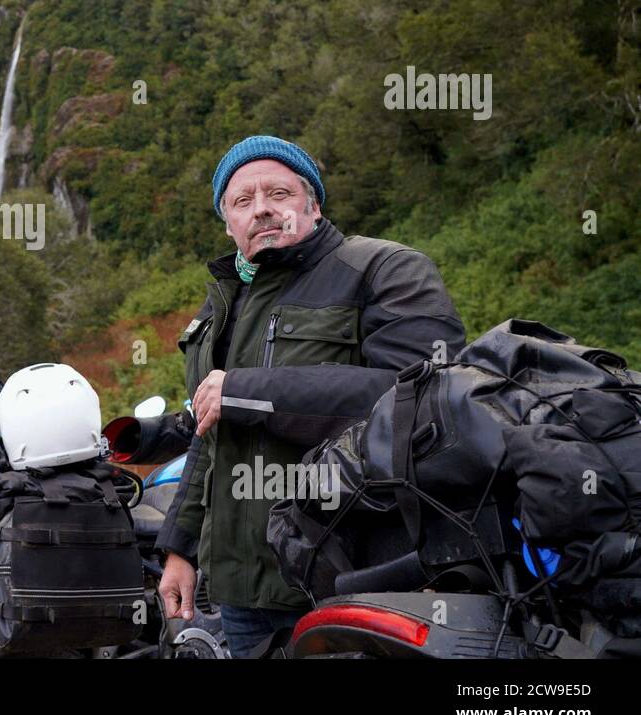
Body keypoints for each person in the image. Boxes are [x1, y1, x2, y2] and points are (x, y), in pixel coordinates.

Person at [155, 135, 465, 656]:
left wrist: (249, 390)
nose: (262, 210)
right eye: (242, 201)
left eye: (279, 192)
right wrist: (179, 548)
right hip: (244, 590)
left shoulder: (383, 268)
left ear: (313, 205)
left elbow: (425, 391)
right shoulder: (222, 308)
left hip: (358, 575)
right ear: (227, 222)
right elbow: (211, 435)